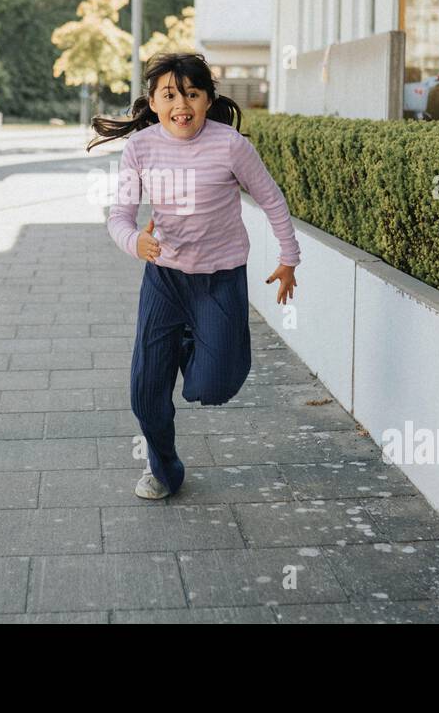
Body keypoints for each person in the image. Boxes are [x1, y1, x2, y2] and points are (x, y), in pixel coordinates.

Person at [88, 52, 301, 499]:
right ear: (152, 101)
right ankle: (165, 471)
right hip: (165, 279)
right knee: (146, 395)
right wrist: (135, 243)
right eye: (169, 94)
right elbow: (120, 216)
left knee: (212, 386)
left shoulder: (230, 146)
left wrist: (289, 257)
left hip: (219, 279)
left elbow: (272, 198)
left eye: (191, 93)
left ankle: (191, 340)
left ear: (207, 100)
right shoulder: (140, 148)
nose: (181, 103)